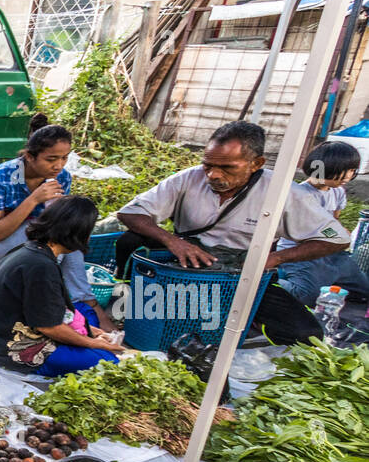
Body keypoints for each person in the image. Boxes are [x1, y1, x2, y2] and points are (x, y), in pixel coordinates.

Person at [117, 120, 348, 344]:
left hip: (243, 273)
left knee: (305, 334)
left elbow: (337, 238)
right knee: (132, 239)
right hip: (187, 265)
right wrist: (173, 242)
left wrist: (276, 258)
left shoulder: (283, 192)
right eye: (208, 165)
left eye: (227, 168)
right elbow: (130, 212)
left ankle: (239, 318)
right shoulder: (189, 178)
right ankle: (127, 299)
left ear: (256, 163)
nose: (213, 175)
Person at [0, 113, 111, 329]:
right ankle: (46, 312)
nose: (59, 166)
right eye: (51, 159)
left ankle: (84, 304)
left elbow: (57, 225)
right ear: (30, 157)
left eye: (64, 158)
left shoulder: (62, 178)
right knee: (51, 249)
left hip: (33, 238)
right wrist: (34, 199)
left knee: (68, 241)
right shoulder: (2, 175)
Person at [0, 196, 124, 377]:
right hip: (9, 349)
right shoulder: (41, 266)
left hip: (1, 332)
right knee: (106, 362)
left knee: (87, 315)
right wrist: (93, 342)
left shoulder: (33, 250)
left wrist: (90, 331)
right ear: (77, 233)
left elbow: (50, 307)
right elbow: (48, 327)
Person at [276, 140, 369, 306]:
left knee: (363, 292)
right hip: (299, 253)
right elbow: (304, 231)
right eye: (346, 171)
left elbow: (334, 220)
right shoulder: (299, 194)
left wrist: (338, 231)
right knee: (306, 295)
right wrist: (334, 234)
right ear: (327, 168)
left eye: (353, 171)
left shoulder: (338, 191)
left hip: (330, 252)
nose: (350, 176)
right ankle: (271, 283)